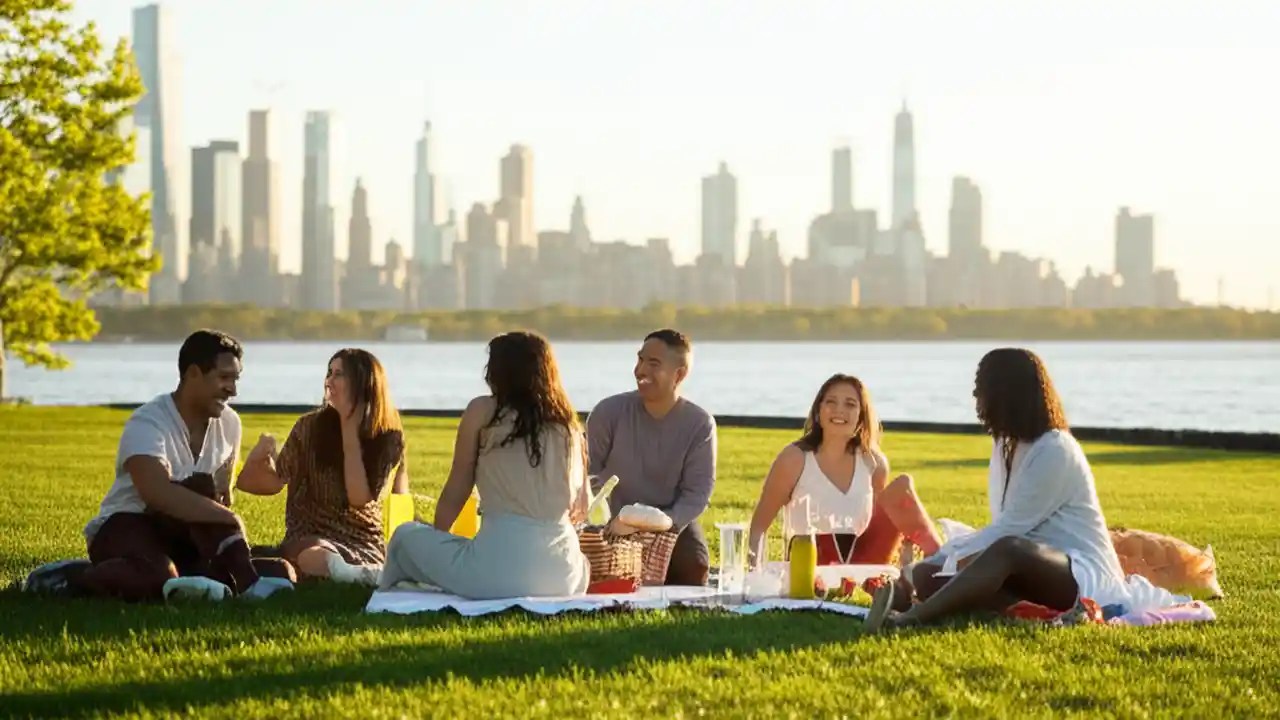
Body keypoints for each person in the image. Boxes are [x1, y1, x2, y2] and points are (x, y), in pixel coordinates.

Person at [865, 348, 1133, 631]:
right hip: (1027, 571)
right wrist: (931, 566)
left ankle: (911, 619)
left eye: (981, 390)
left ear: (1007, 394)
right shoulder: (1005, 445)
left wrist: (948, 556)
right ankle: (902, 595)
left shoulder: (1055, 450)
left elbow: (1009, 531)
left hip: (1079, 573)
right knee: (927, 575)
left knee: (1004, 551)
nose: (975, 398)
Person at [25, 330, 293, 601]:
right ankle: (71, 578)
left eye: (235, 379)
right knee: (157, 577)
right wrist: (229, 520)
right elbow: (156, 492)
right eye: (224, 378)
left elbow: (221, 498)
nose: (233, 390)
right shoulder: (148, 422)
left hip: (185, 534)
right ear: (192, 374)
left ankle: (239, 581)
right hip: (129, 526)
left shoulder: (229, 423)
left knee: (281, 570)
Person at [379, 331, 591, 599]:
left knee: (405, 536)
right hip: (566, 577)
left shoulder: (482, 412)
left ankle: (382, 575)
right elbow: (580, 508)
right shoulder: (568, 426)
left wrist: (438, 538)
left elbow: (458, 487)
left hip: (496, 575)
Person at [236, 348, 407, 585]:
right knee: (312, 553)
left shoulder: (388, 436)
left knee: (316, 558)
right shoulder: (310, 426)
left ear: (363, 382)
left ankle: (352, 573)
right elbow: (265, 484)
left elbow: (359, 498)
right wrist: (258, 457)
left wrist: (349, 429)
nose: (329, 381)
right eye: (329, 373)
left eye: (339, 374)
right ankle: (350, 575)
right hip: (309, 537)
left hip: (362, 541)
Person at [747, 373, 942, 570]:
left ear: (861, 415)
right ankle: (938, 566)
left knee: (902, 485)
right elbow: (758, 529)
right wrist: (755, 575)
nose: (839, 410)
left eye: (850, 404)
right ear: (818, 412)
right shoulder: (793, 459)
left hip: (859, 572)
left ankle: (938, 564)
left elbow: (877, 532)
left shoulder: (874, 463)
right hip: (808, 570)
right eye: (831, 402)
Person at [587, 329, 717, 586]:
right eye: (640, 360)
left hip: (669, 523)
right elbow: (587, 478)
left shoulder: (699, 424)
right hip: (611, 525)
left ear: (679, 374)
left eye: (653, 364)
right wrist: (613, 522)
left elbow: (696, 494)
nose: (640, 370)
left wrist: (662, 524)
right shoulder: (608, 413)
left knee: (695, 569)